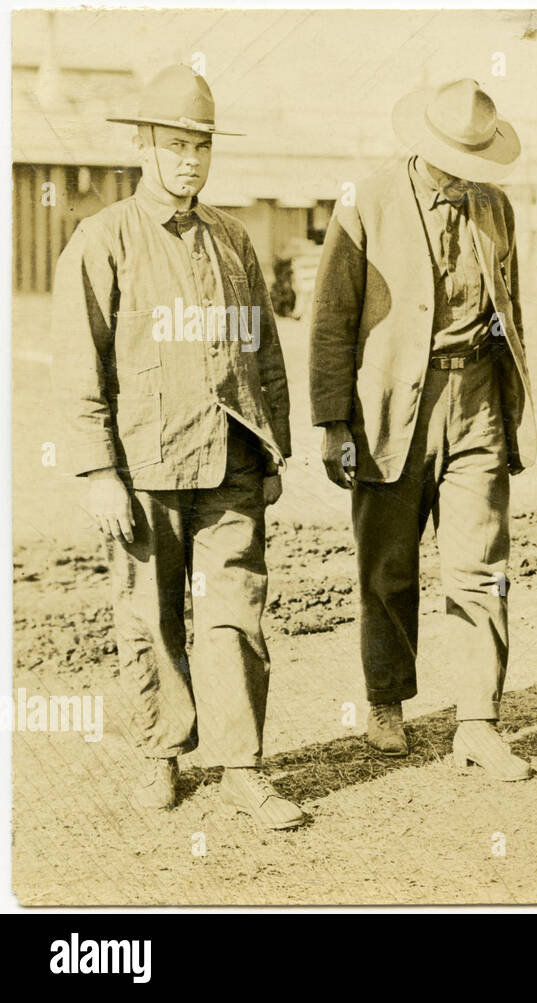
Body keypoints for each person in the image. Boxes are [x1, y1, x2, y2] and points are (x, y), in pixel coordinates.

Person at [51, 65, 304, 829]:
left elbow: (263, 353)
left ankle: (243, 767)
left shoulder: (233, 239)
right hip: (144, 464)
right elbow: (78, 364)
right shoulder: (103, 239)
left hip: (230, 458)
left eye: (200, 145)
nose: (190, 160)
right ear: (142, 146)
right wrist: (99, 470)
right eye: (174, 144)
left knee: (237, 615)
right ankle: (162, 754)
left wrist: (272, 452)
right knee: (148, 618)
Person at [310, 79, 537, 781]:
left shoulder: (495, 207)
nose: (462, 173)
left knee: (483, 568)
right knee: (388, 568)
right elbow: (330, 321)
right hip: (389, 411)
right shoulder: (366, 202)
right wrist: (332, 423)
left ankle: (478, 720)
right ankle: (386, 701)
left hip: (476, 403)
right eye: (450, 158)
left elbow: (512, 312)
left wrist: (506, 409)